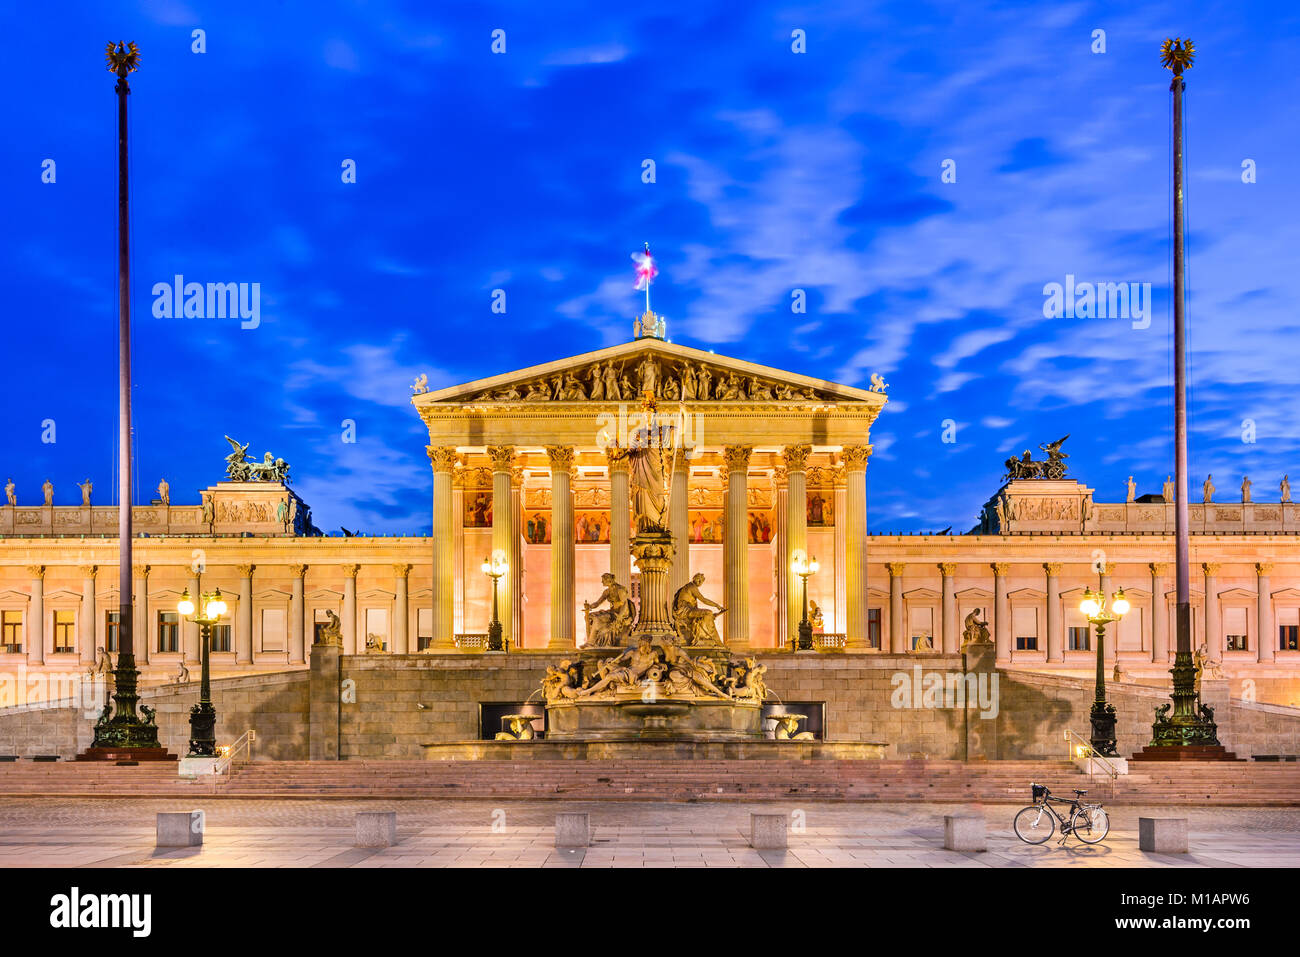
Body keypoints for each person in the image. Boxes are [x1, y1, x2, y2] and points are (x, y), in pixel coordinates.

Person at [673, 573, 725, 645]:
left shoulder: (689, 586)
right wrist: (716, 605)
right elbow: (703, 600)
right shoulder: (692, 587)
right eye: (698, 579)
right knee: (708, 612)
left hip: (687, 609)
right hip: (685, 611)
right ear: (694, 578)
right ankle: (715, 639)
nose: (699, 582)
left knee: (709, 615)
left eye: (701, 581)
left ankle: (708, 638)